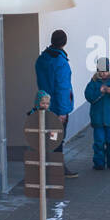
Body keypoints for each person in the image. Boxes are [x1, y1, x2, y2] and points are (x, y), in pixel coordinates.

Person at [35, 30, 77, 178]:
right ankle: (57, 168)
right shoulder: (60, 62)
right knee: (57, 138)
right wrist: (63, 112)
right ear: (64, 43)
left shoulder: (42, 59)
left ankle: (48, 166)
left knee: (50, 137)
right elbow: (62, 88)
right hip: (57, 108)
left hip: (44, 105)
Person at [83, 57, 110, 170]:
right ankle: (99, 163)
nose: (103, 74)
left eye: (105, 71)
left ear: (109, 71)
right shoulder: (93, 83)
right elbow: (89, 97)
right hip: (98, 119)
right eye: (100, 71)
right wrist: (99, 92)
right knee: (99, 142)